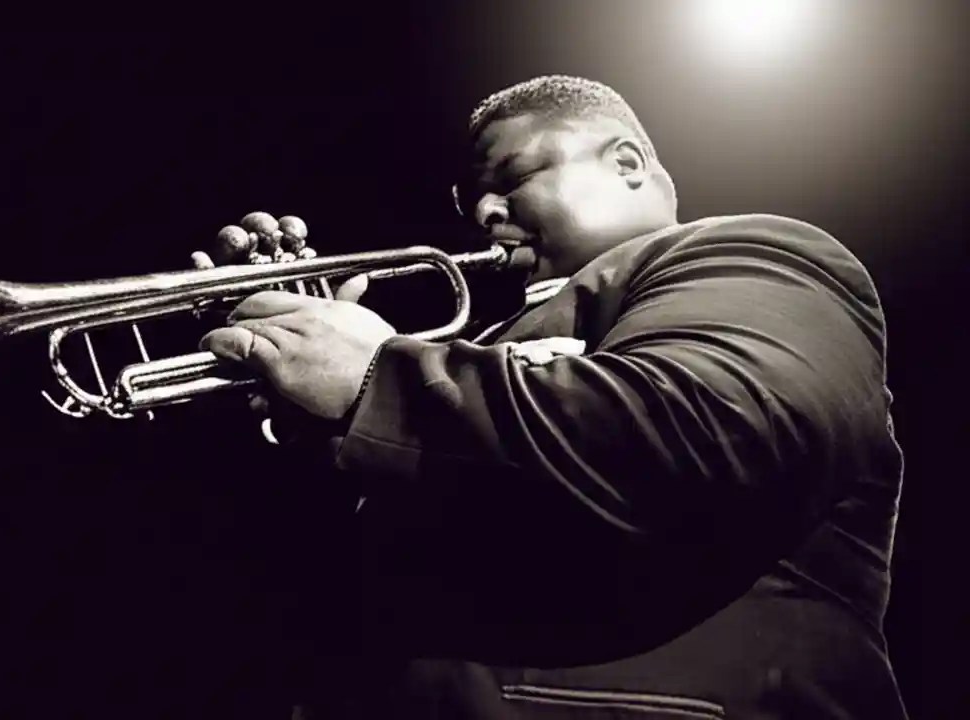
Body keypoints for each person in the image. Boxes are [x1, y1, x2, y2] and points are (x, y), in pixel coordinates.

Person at [195, 75, 909, 719]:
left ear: (626, 164)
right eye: (469, 197)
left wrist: (379, 378)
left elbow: (708, 432)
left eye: (513, 176)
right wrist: (286, 374)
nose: (482, 209)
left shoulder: (750, 255)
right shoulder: (471, 347)